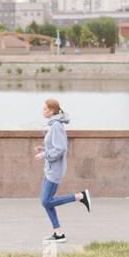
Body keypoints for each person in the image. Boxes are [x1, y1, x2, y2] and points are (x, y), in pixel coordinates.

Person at [33, 98, 91, 244]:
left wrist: (43, 154)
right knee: (47, 202)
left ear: (52, 111)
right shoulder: (54, 124)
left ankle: (79, 196)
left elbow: (60, 149)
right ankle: (59, 233)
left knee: (46, 201)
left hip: (55, 170)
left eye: (45, 108)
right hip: (50, 169)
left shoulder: (56, 125)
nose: (42, 111)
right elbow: (55, 146)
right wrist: (44, 149)